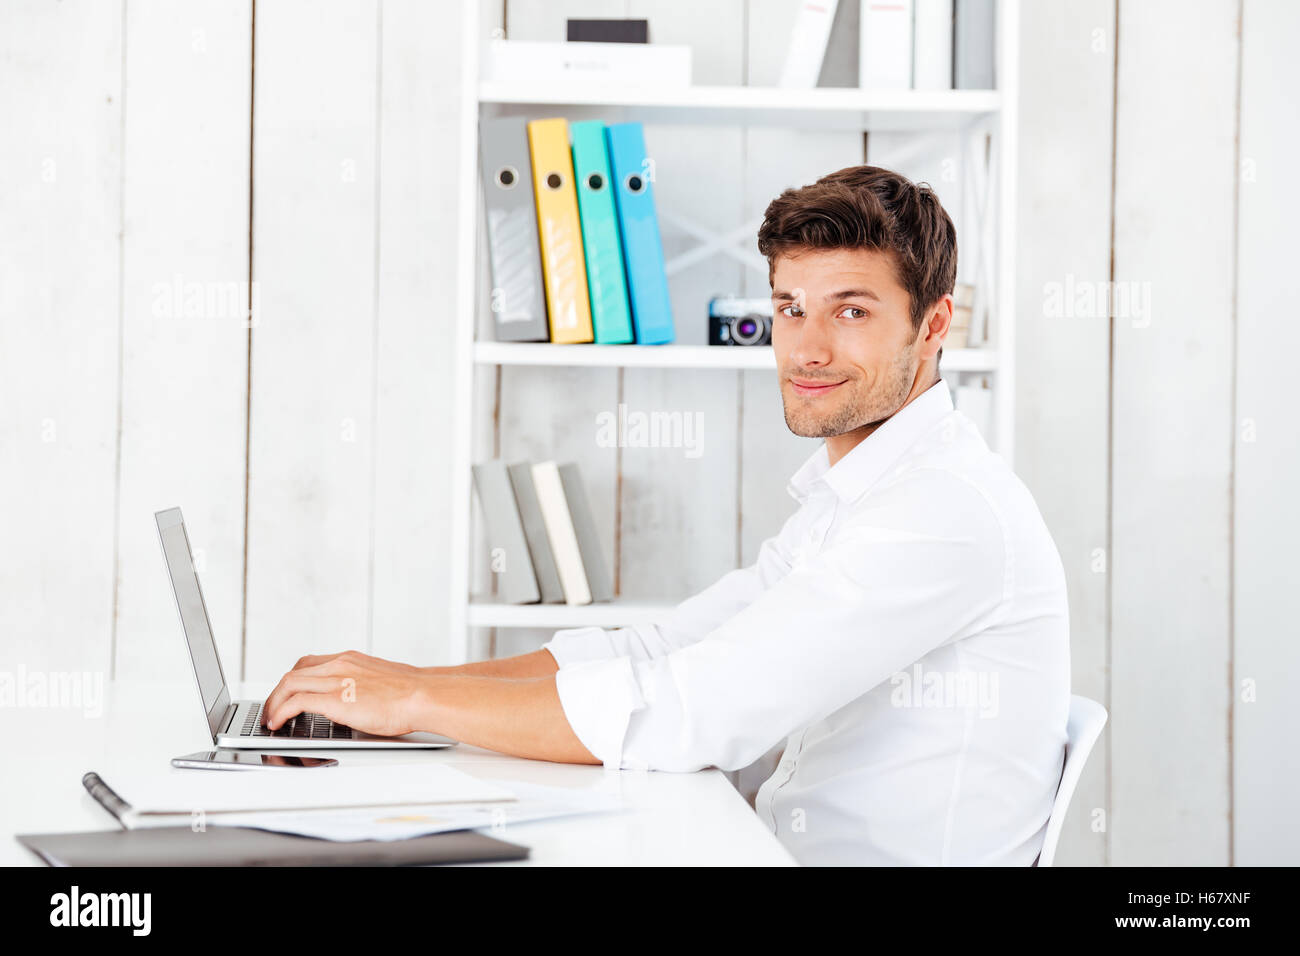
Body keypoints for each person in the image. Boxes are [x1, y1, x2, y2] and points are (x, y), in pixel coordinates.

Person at [263, 165, 1070, 866]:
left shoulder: (942, 511)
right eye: (791, 307)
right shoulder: (857, 497)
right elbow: (665, 648)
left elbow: (696, 711)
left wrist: (409, 707)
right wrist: (403, 688)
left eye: (851, 311)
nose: (807, 348)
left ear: (933, 325)